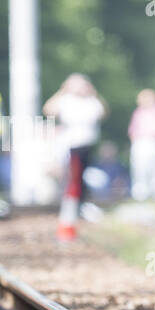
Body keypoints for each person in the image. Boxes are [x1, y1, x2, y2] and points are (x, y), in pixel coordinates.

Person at [43, 73, 106, 239]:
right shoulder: (65, 100)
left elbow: (103, 112)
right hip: (71, 146)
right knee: (73, 180)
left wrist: (92, 92)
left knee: (81, 179)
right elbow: (48, 109)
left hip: (87, 145)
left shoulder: (91, 101)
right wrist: (63, 91)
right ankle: (69, 213)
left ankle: (77, 209)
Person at [127, 88, 155, 202]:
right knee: (140, 169)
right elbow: (132, 131)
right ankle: (141, 195)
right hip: (141, 142)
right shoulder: (138, 112)